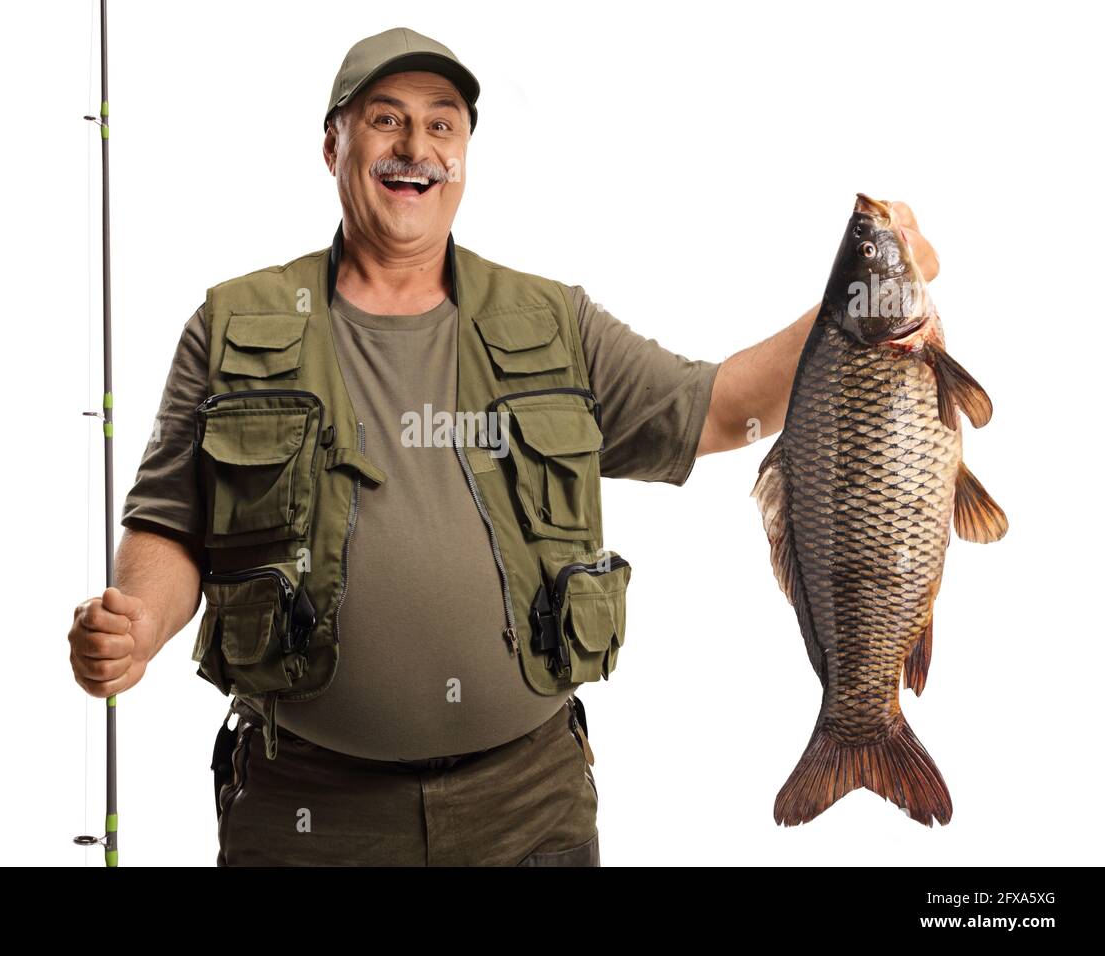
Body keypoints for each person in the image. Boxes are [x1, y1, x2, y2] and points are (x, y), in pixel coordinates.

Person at [67, 26, 939, 866]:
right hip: (304, 815)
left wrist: (866, 296)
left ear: (464, 155)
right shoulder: (233, 325)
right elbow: (173, 526)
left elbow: (719, 411)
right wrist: (139, 625)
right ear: (331, 147)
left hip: (528, 810)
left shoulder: (553, 322)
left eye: (442, 123)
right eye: (385, 119)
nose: (416, 146)